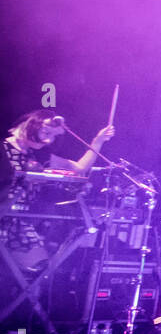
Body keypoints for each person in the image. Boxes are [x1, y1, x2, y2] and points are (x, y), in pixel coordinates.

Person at [2, 110, 114, 266]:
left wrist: (98, 141)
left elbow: (79, 168)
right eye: (46, 132)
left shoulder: (38, 156)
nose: (48, 140)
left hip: (18, 222)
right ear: (29, 124)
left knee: (37, 274)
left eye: (53, 136)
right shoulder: (3, 148)